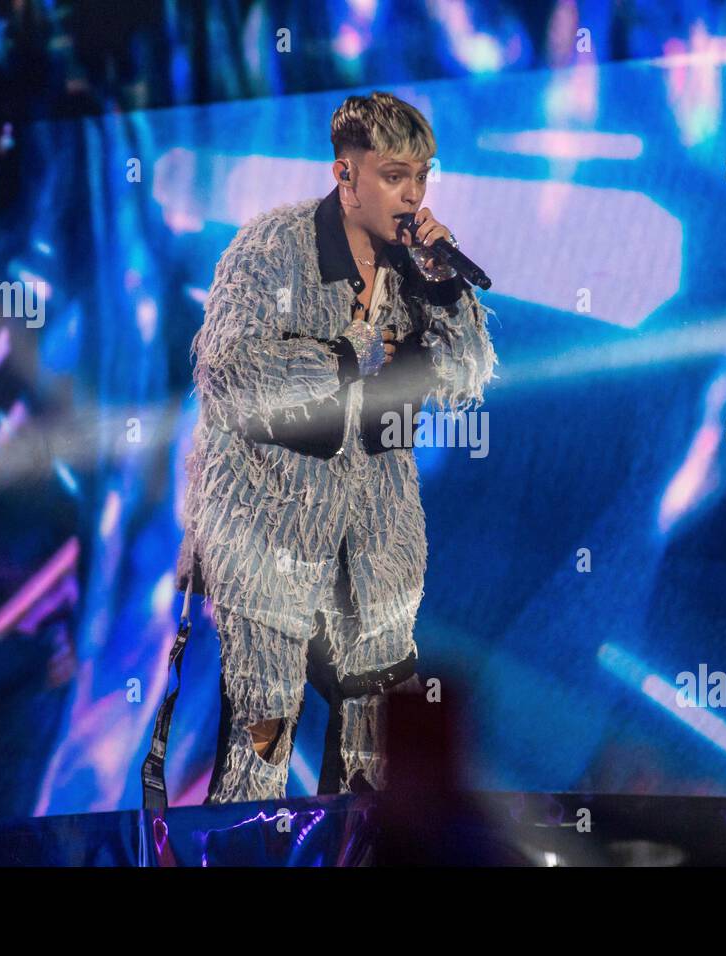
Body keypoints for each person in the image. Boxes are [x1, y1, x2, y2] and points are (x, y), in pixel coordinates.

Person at [173, 91, 497, 803]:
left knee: (372, 757)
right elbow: (227, 375)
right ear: (345, 176)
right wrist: (343, 358)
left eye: (422, 176)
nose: (412, 196)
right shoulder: (271, 247)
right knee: (262, 737)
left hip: (377, 546)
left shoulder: (418, 268)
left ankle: (361, 848)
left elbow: (467, 375)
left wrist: (444, 288)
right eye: (393, 176)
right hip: (268, 530)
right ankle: (245, 849)